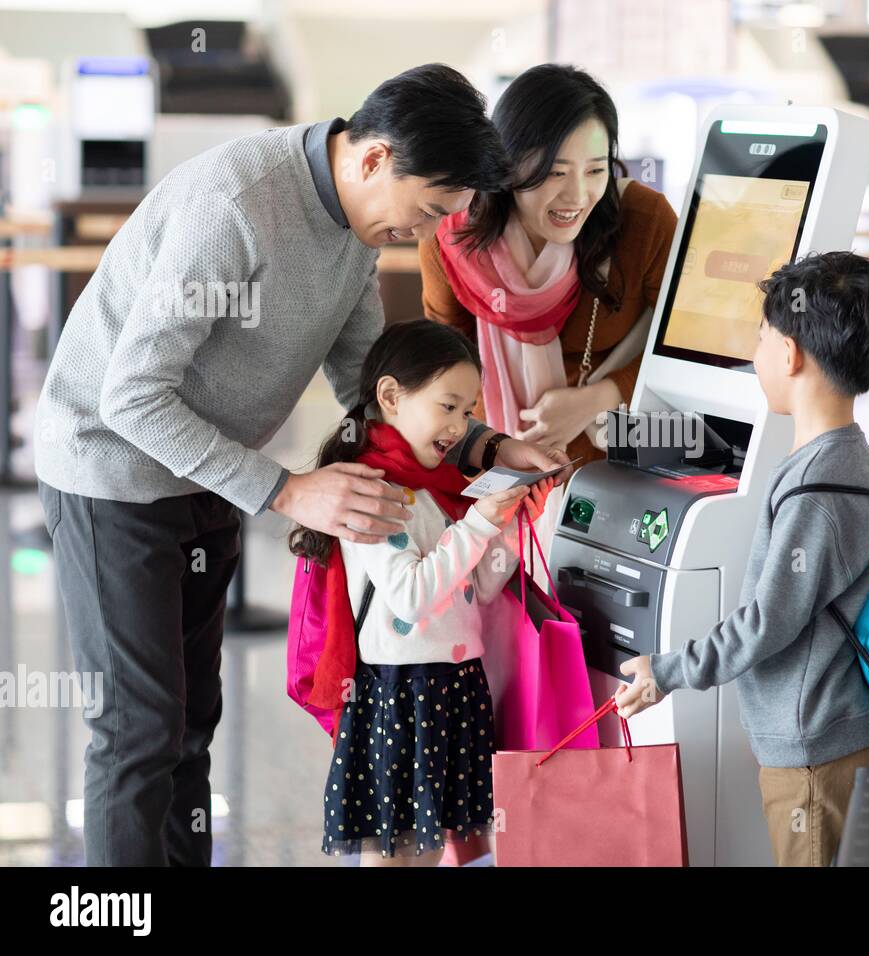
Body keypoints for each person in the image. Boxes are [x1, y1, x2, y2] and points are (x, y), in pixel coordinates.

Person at [33, 64, 562, 867]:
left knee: (190, 723)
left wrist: (483, 448)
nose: (424, 234)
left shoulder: (354, 232)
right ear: (376, 159)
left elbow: (369, 388)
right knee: (137, 730)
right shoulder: (237, 208)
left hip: (208, 471)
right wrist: (284, 490)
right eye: (426, 211)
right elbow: (131, 398)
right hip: (114, 472)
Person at [614, 251, 869, 867]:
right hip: (828, 729)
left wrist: (667, 672)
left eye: (760, 336)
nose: (755, 352)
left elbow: (768, 621)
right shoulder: (843, 460)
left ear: (791, 354)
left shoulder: (818, 493)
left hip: (812, 750)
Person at [292, 320, 554, 866]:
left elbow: (476, 589)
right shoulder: (373, 492)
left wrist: (506, 525)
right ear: (390, 397)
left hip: (454, 688)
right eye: (449, 406)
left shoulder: (436, 491)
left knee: (431, 855)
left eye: (469, 410)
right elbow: (413, 595)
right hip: (398, 693)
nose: (462, 427)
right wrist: (480, 524)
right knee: (394, 855)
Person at [420, 63, 678, 468]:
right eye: (555, 172)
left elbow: (687, 347)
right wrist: (489, 450)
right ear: (509, 162)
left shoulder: (642, 220)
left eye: (595, 170)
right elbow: (445, 369)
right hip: (496, 464)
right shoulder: (453, 239)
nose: (577, 195)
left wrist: (601, 396)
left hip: (614, 469)